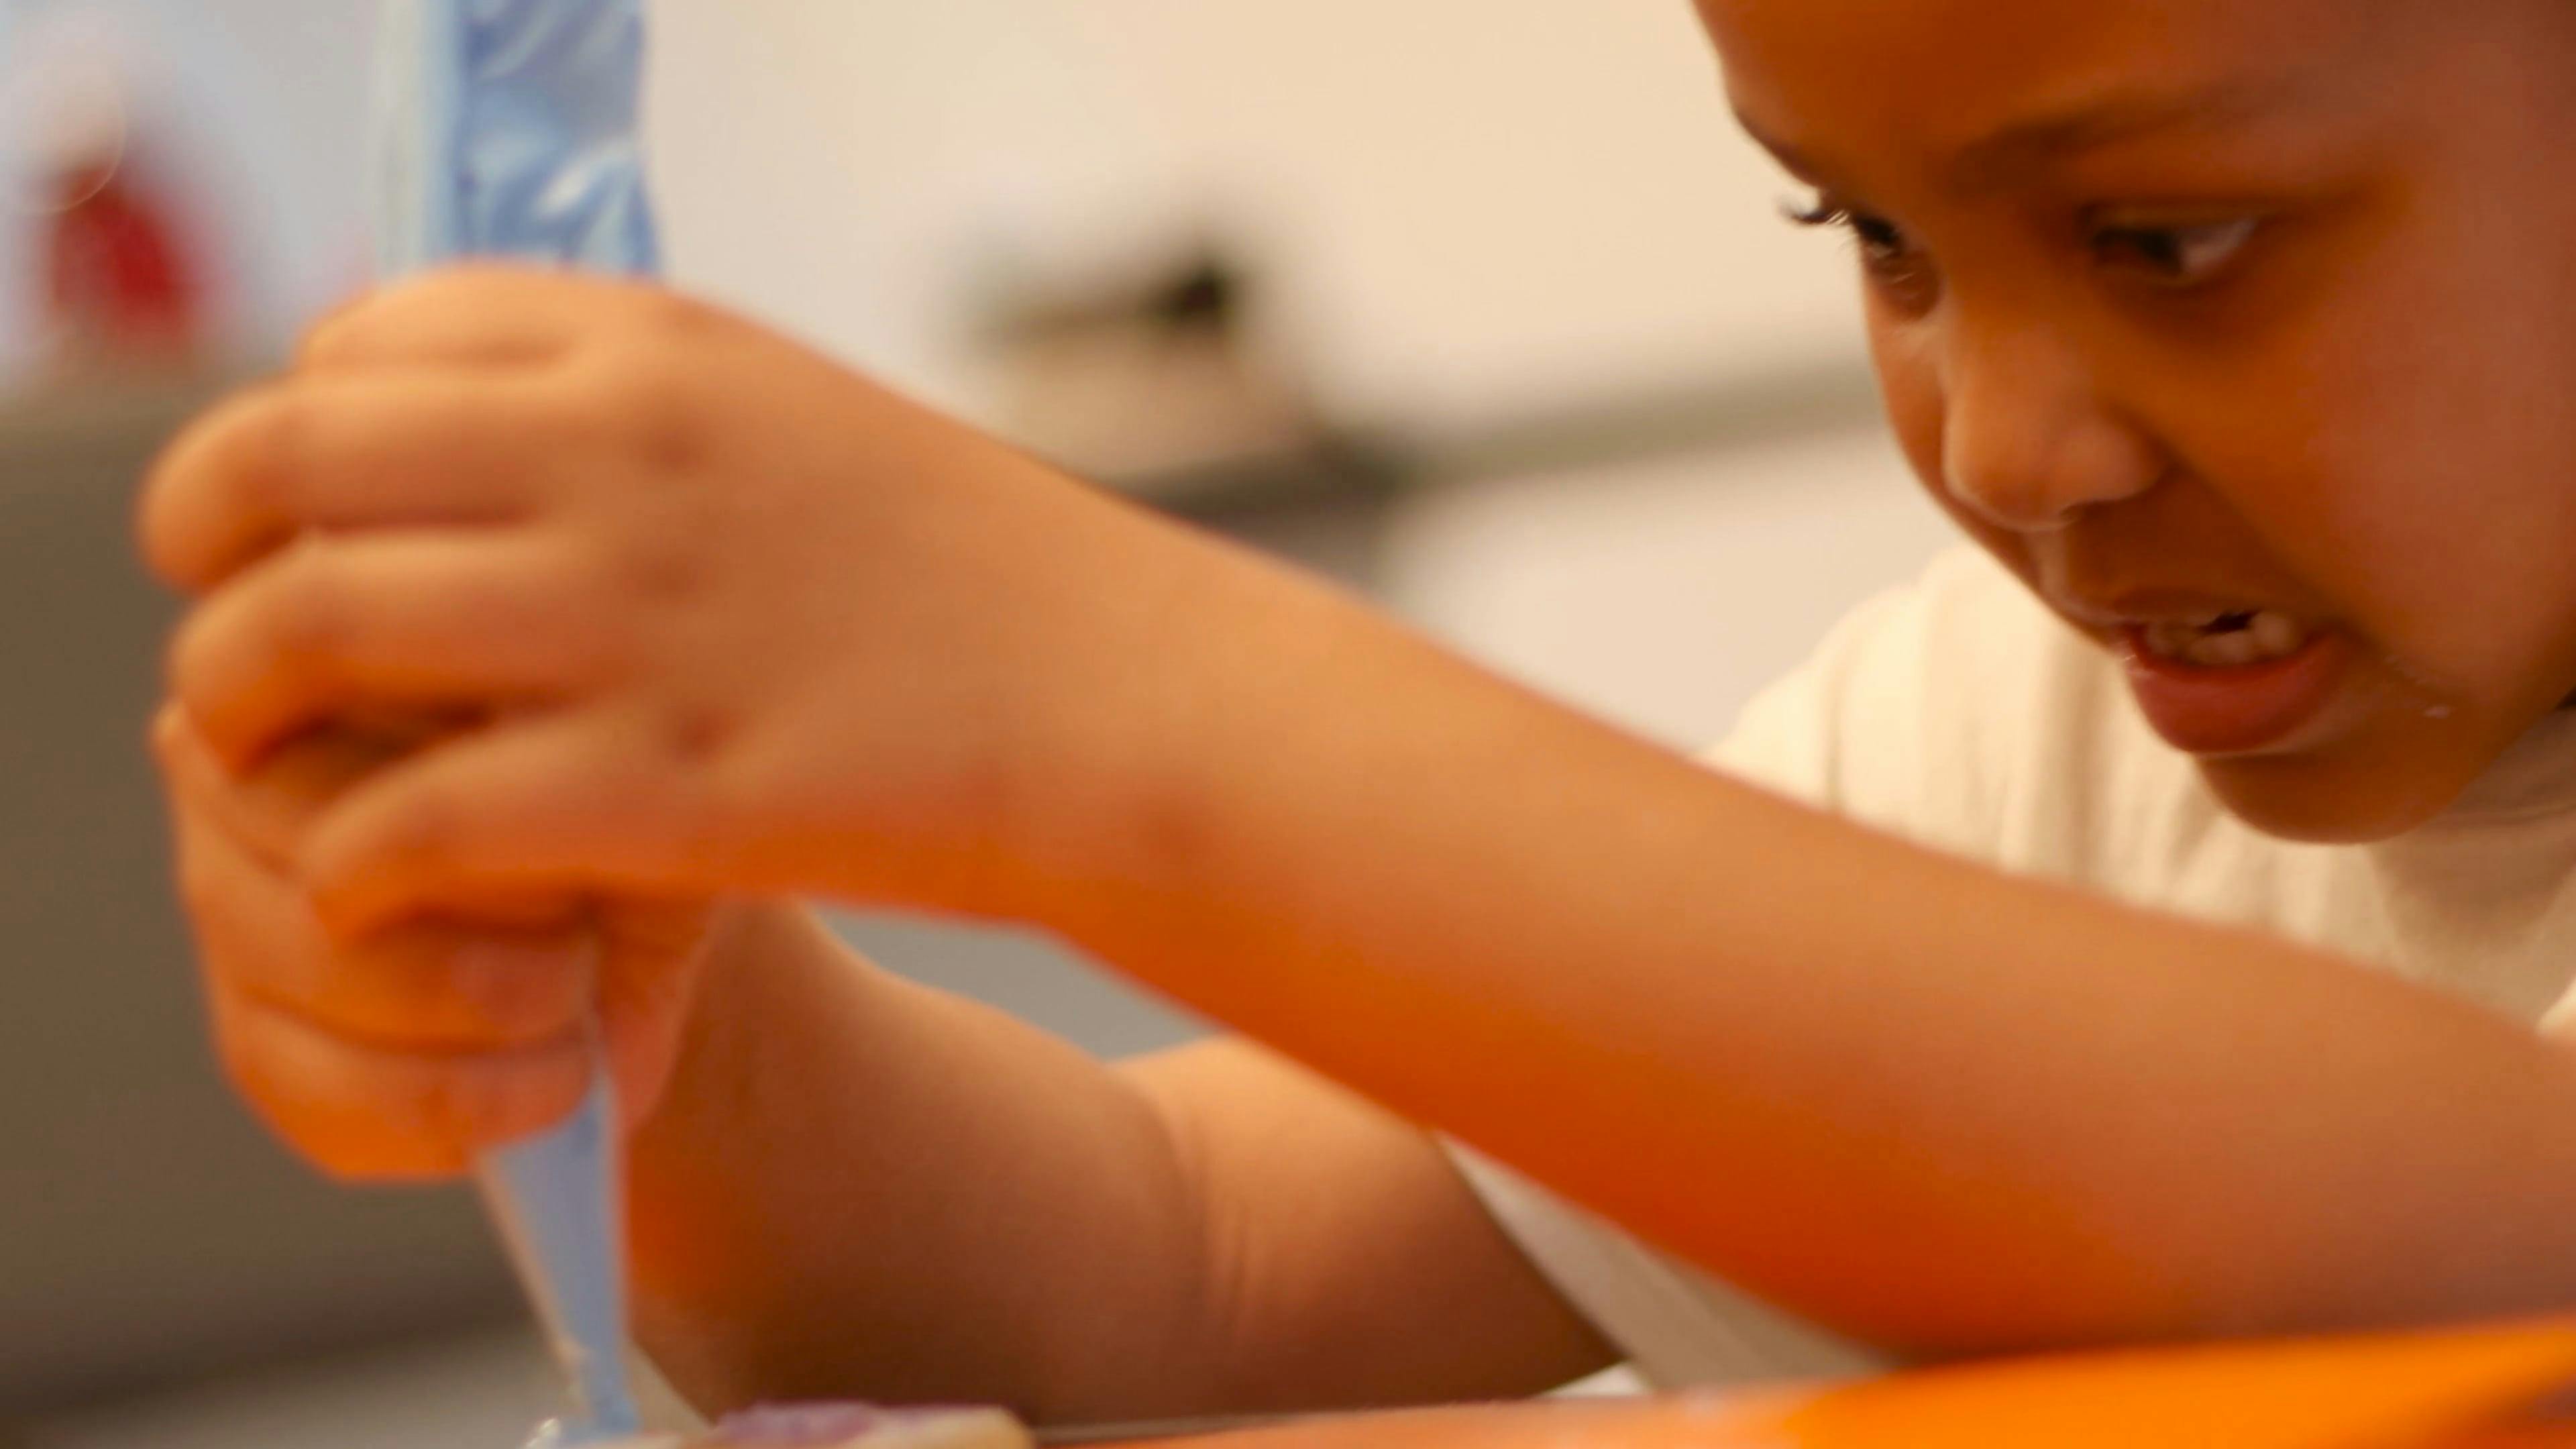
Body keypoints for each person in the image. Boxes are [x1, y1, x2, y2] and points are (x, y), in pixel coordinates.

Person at [135, 0, 2576, 1423]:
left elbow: (2495, 1261)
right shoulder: (2017, 731)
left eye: (2172, 239)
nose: (2011, 449)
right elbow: (1173, 1268)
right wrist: (685, 1014)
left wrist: (1088, 692)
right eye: (1878, 239)